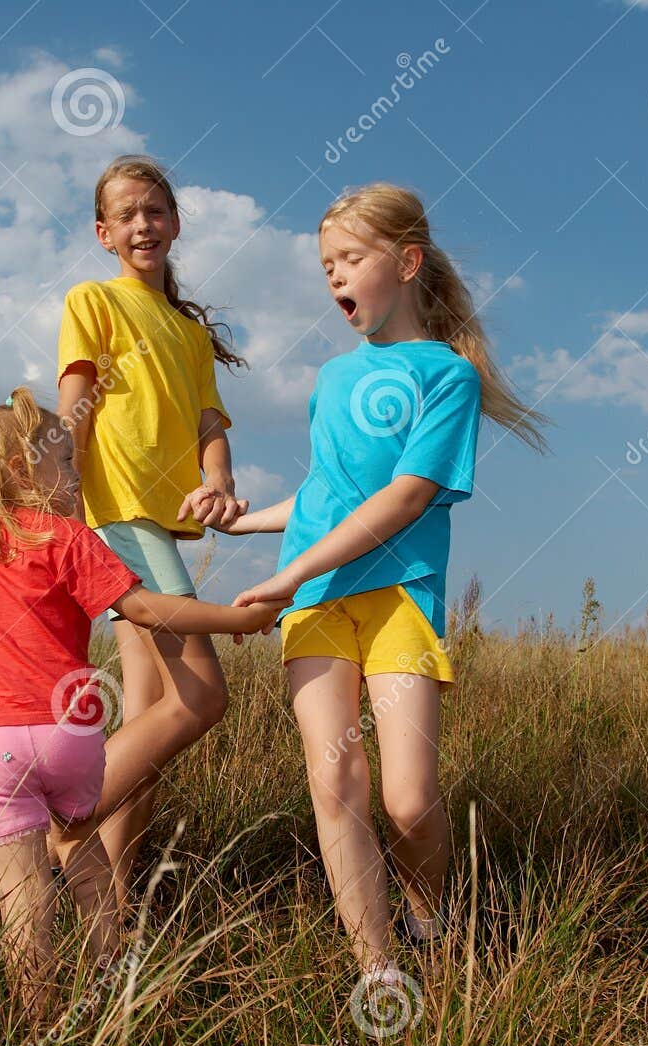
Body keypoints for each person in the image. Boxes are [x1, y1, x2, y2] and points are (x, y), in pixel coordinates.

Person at [226, 184, 548, 987]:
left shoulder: (449, 378)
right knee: (336, 779)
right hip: (314, 602)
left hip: (402, 594)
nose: (335, 277)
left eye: (352, 259)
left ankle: (429, 916)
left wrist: (294, 566)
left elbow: (404, 496)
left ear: (406, 263)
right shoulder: (332, 380)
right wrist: (241, 523)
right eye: (326, 264)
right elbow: (323, 495)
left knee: (407, 799)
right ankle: (379, 967)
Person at [0, 388, 284, 1016]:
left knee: (23, 898)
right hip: (66, 737)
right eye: (66, 465)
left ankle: (37, 1021)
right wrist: (237, 622)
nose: (77, 477)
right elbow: (142, 609)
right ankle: (110, 983)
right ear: (25, 472)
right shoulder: (66, 538)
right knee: (85, 852)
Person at [56, 154, 251, 906]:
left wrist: (219, 478)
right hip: (117, 517)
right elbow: (75, 398)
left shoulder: (188, 334)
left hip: (162, 527)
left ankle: (109, 904)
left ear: (174, 222)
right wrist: (61, 497)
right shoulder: (92, 300)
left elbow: (209, 422)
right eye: (127, 214)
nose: (144, 224)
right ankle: (58, 828)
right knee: (202, 697)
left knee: (150, 723)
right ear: (104, 233)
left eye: (156, 210)